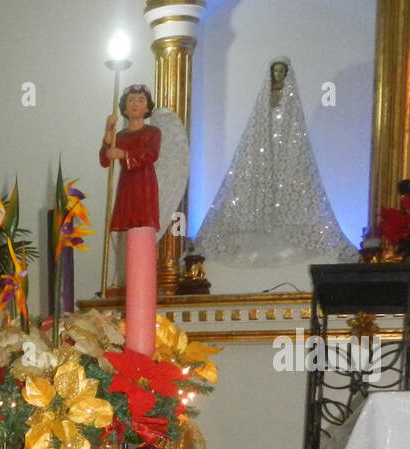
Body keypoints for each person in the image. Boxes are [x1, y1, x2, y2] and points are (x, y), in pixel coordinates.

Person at [194, 58, 355, 266]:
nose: (278, 74)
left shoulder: (291, 102)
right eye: (275, 70)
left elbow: (293, 127)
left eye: (281, 70)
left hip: (285, 147)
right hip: (265, 145)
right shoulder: (265, 99)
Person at [101, 84, 161, 356]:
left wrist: (124, 154)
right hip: (127, 186)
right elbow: (105, 160)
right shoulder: (121, 134)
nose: (136, 104)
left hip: (144, 185)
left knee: (141, 230)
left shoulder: (152, 132)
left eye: (141, 100)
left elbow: (150, 155)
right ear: (124, 107)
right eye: (131, 101)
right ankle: (118, 280)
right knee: (125, 235)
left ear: (147, 107)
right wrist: (109, 135)